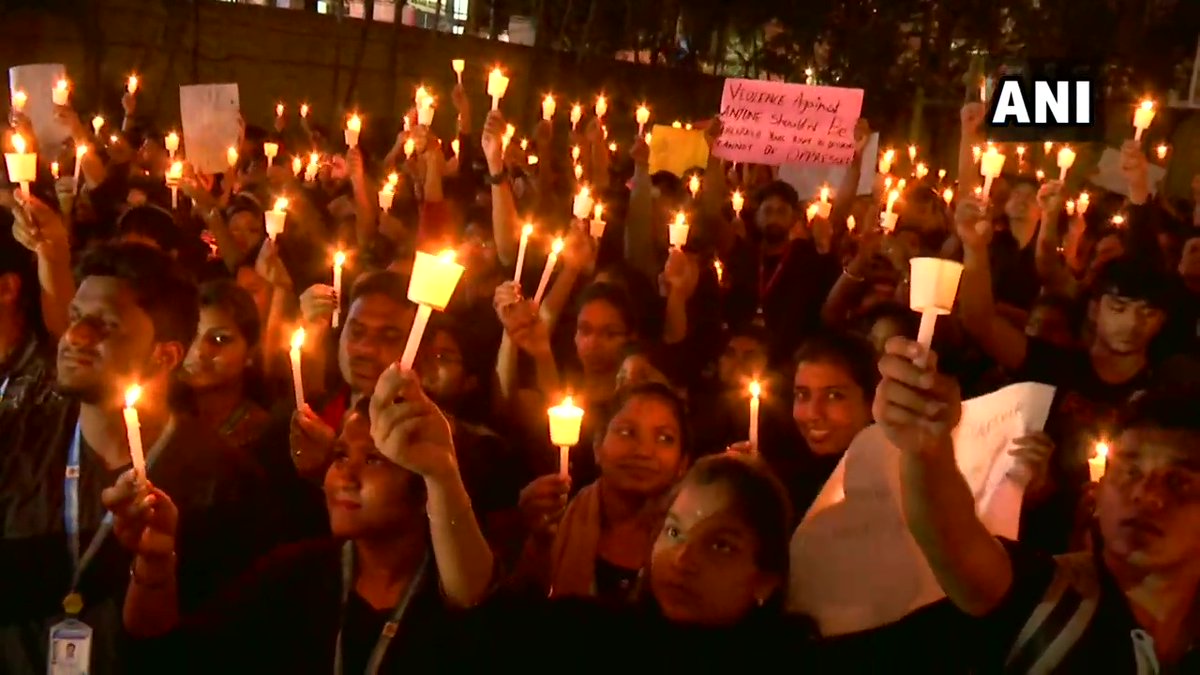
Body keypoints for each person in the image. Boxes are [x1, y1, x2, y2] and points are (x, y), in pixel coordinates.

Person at [107, 366, 495, 673]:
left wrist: (443, 473)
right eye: (341, 456)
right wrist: (155, 564)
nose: (346, 475)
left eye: (374, 459)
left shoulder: (454, 585)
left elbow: (479, 611)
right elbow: (168, 658)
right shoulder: (294, 577)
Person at [0, 242, 272, 674]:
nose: (76, 337)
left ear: (165, 355)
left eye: (105, 325)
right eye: (75, 319)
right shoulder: (12, 443)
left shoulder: (225, 482)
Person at [877, 336, 1200, 671]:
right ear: (1098, 490)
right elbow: (955, 544)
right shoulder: (1049, 595)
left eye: (1179, 482)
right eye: (1130, 471)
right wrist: (927, 448)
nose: (1144, 495)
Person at [438, 454, 822, 670]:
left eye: (720, 546)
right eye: (674, 532)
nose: (683, 558)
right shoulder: (596, 638)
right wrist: (442, 478)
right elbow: (485, 616)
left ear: (765, 581)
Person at [515, 382, 691, 603]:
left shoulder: (693, 539)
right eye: (627, 432)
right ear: (598, 447)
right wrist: (539, 541)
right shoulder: (556, 518)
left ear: (683, 462)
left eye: (665, 438)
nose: (644, 451)